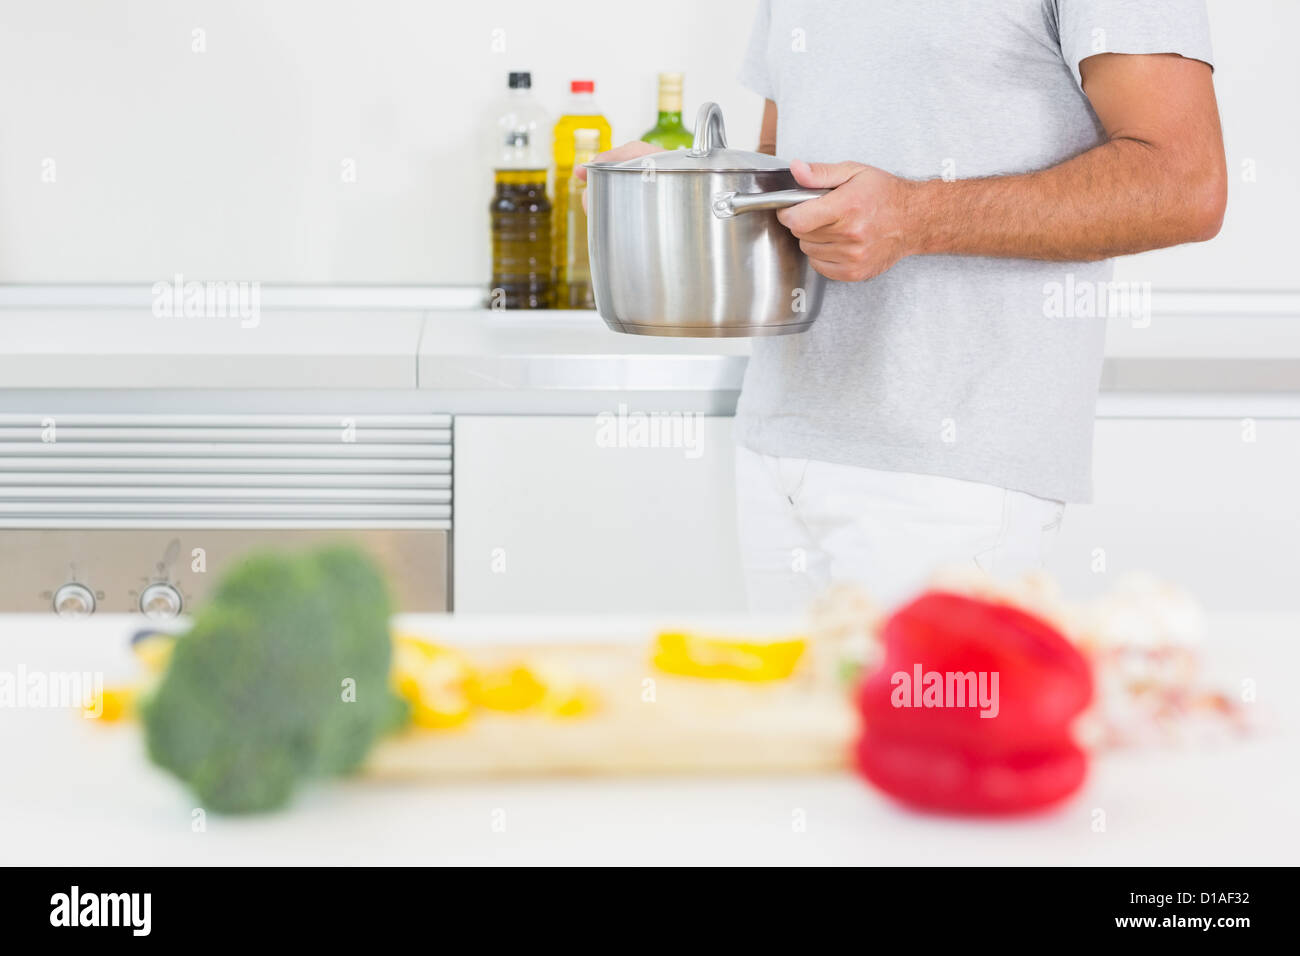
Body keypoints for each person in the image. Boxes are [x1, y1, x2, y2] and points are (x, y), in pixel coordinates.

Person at [589, 0, 1226, 613]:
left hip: (951, 472)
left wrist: (915, 217)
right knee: (791, 724)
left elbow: (1185, 182)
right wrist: (677, 186)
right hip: (777, 443)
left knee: (926, 724)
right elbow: (786, 178)